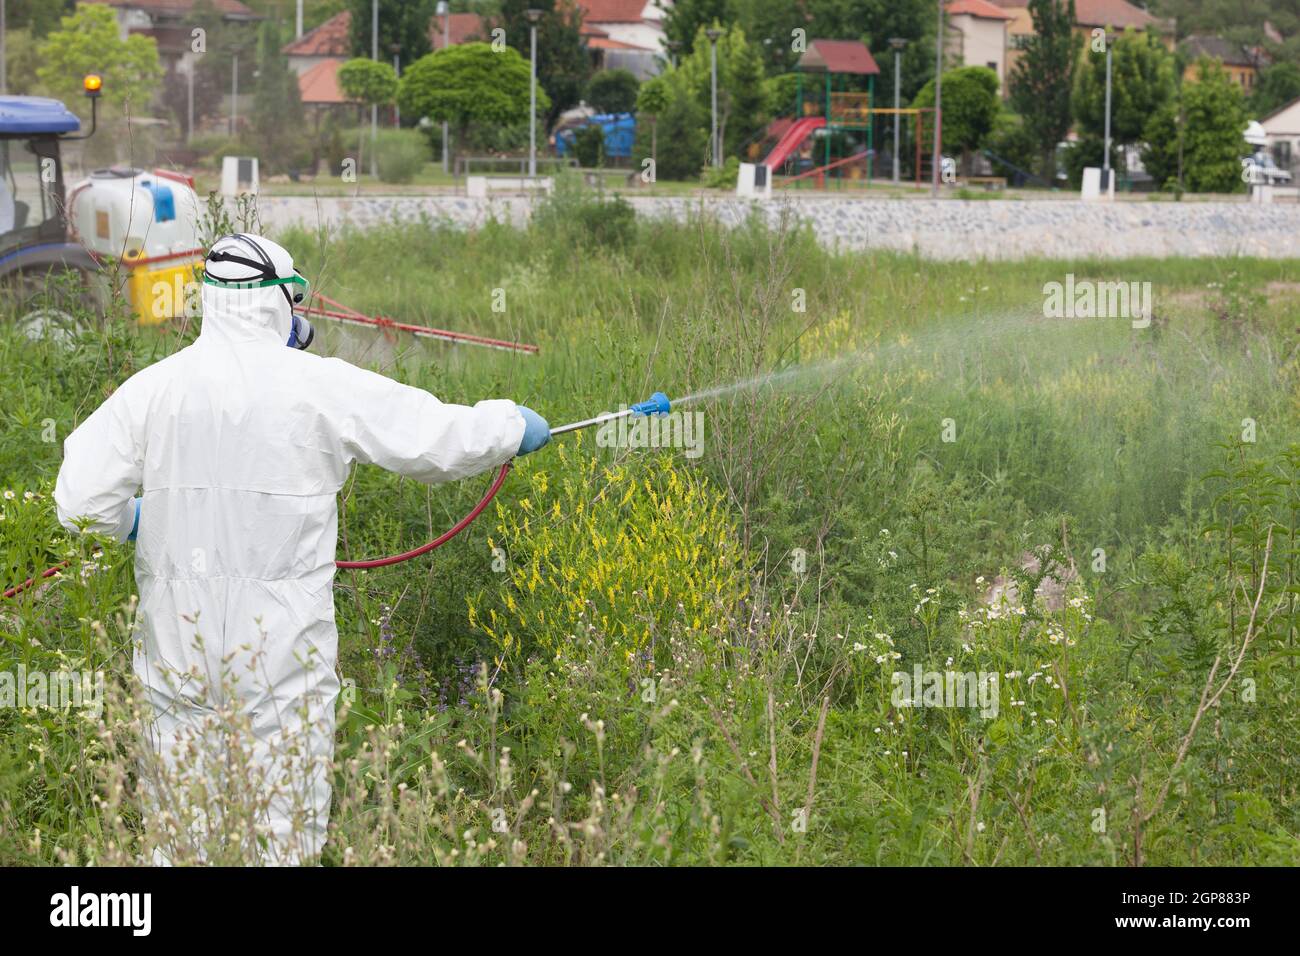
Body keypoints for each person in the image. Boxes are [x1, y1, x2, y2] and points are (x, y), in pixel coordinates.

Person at [53, 233, 549, 864]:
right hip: (279, 659)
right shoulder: (319, 385)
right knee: (282, 825)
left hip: (179, 652)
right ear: (280, 302)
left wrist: (130, 521)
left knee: (181, 827)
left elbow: (79, 500)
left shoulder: (154, 389)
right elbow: (432, 439)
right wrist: (509, 426)